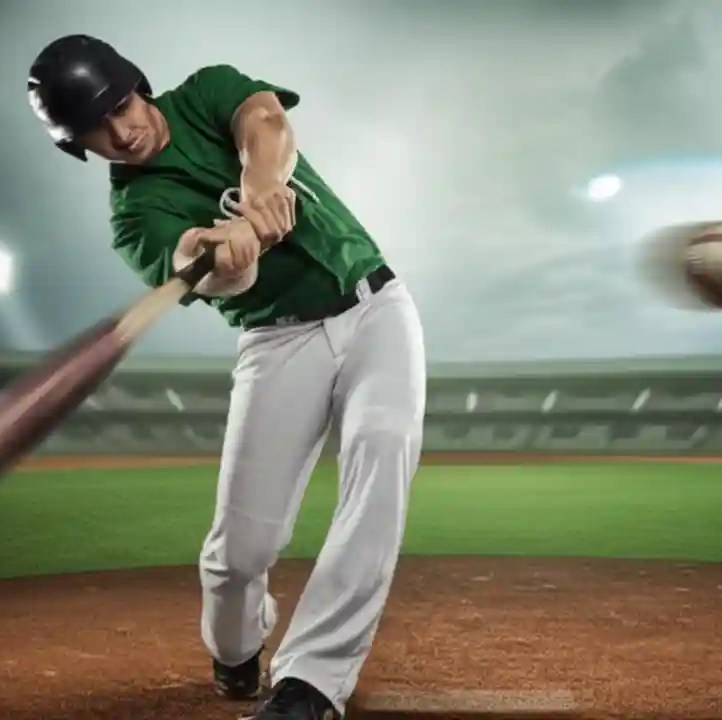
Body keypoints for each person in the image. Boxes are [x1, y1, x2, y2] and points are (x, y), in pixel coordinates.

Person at [26, 34, 427, 720]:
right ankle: (236, 646)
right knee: (239, 556)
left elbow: (265, 122)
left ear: (137, 84)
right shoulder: (134, 218)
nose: (122, 130)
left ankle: (312, 682)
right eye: (97, 127)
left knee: (382, 449)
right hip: (278, 340)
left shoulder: (207, 89)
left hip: (377, 307)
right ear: (80, 144)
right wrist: (227, 250)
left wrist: (263, 185)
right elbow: (209, 266)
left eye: (122, 104)